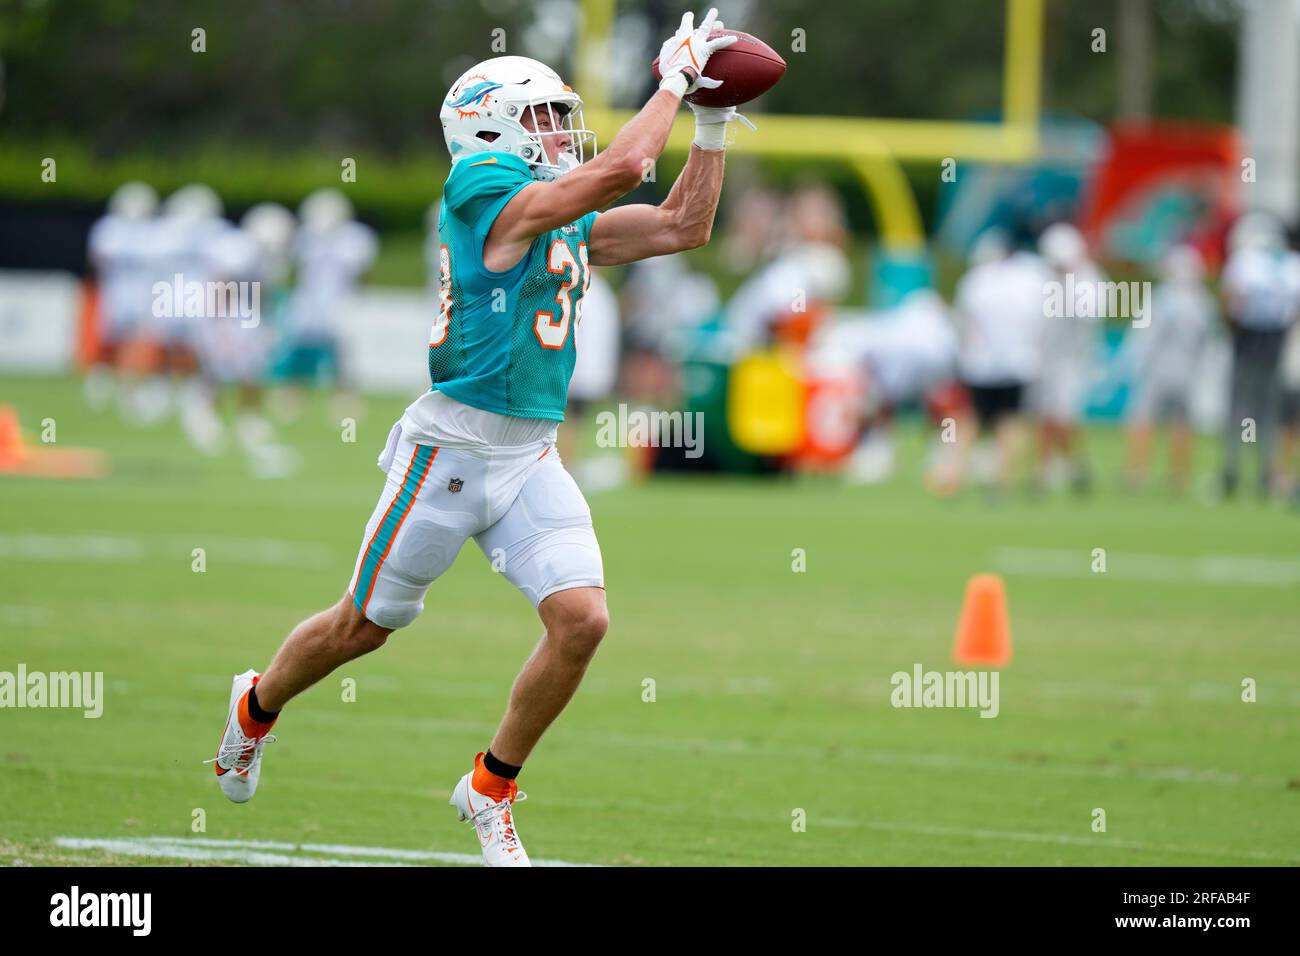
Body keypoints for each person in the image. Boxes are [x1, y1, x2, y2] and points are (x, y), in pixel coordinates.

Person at [209, 8, 744, 866]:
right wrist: (675, 81)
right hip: (450, 449)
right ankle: (255, 707)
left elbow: (684, 225)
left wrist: (713, 121)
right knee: (364, 627)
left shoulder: (551, 209)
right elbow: (628, 167)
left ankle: (490, 789)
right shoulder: (481, 188)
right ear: (490, 124)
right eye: (543, 116)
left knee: (583, 622)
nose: (560, 132)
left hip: (530, 449)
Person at [940, 229, 1049, 495]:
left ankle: (953, 476)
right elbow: (1041, 321)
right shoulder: (1031, 278)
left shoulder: (977, 281)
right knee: (1010, 421)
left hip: (981, 363)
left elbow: (964, 323)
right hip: (1017, 361)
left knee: (972, 419)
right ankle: (1000, 480)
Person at [1218, 211, 1300, 497]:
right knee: (1268, 410)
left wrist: (1233, 329)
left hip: (1248, 339)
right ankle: (1266, 472)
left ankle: (1232, 470)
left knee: (1239, 407)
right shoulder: (1290, 265)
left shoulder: (1244, 262)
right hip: (1276, 339)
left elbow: (1233, 299)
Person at [1123, 245, 1217, 493]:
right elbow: (1208, 342)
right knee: (1182, 423)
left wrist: (1133, 364)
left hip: (1158, 369)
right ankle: (1179, 478)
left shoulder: (1163, 298)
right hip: (1187, 371)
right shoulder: (1203, 302)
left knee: (1142, 419)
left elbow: (1144, 337)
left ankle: (1137, 474)